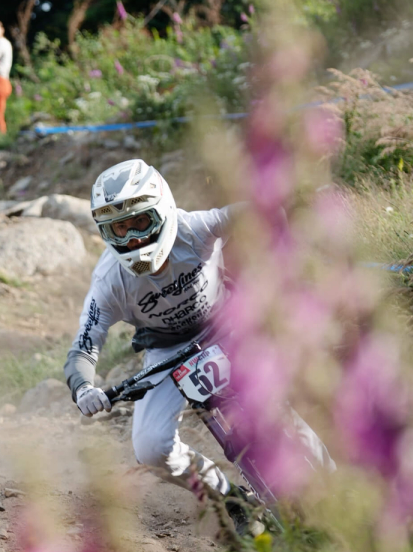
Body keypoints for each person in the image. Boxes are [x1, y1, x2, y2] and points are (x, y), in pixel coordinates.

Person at [64, 159, 332, 529]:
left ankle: (334, 485)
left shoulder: (195, 228)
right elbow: (84, 344)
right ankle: (226, 496)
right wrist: (84, 387)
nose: (133, 240)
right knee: (151, 447)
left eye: (140, 222)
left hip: (226, 326)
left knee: (273, 403)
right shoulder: (109, 280)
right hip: (166, 354)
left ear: (163, 210)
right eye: (119, 230)